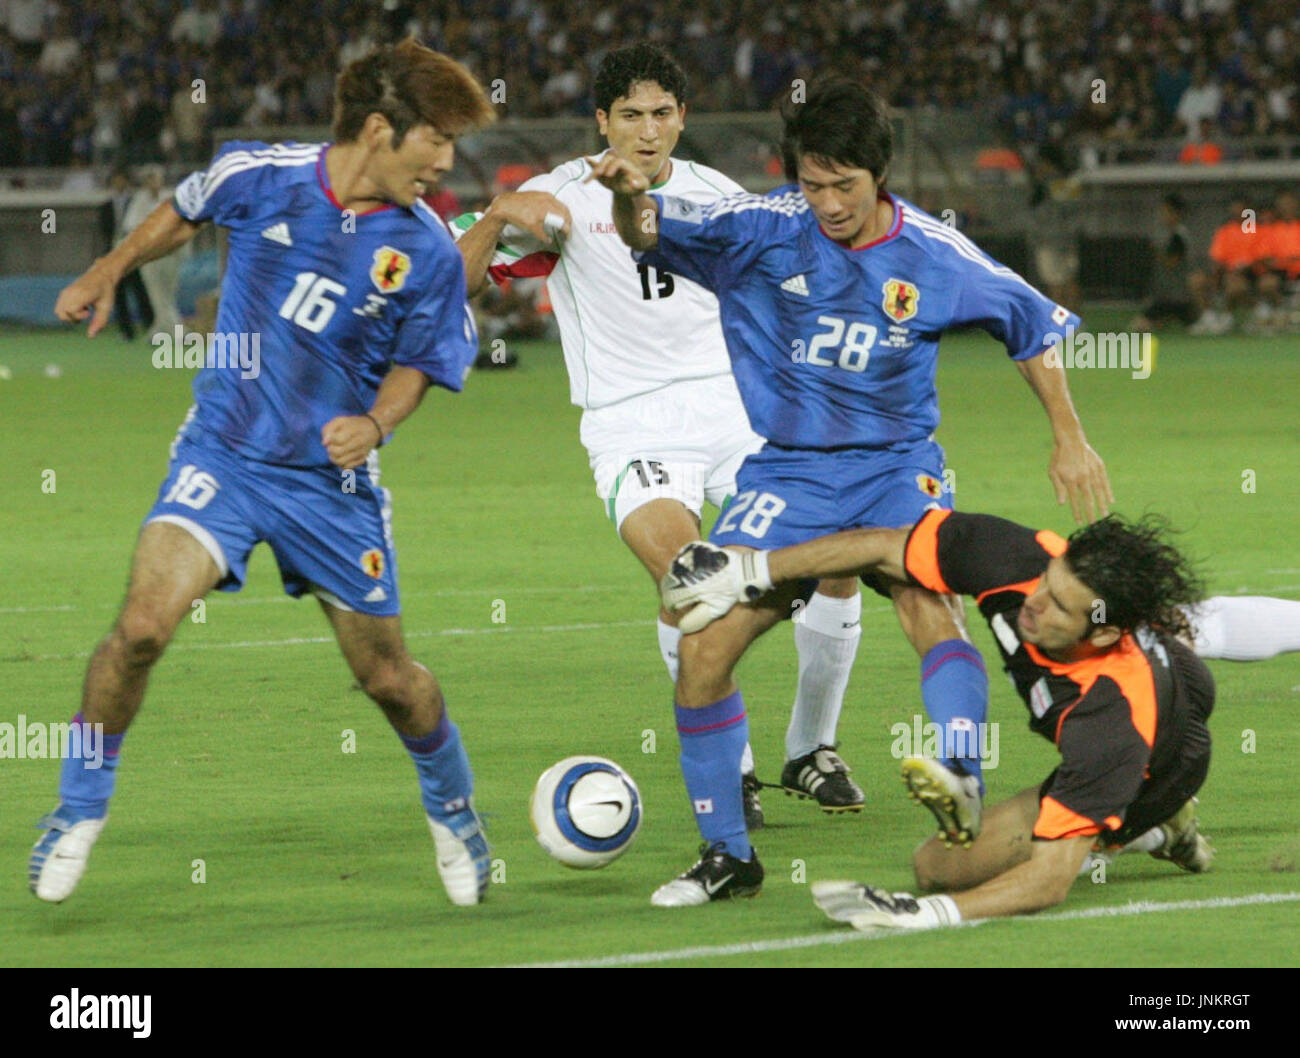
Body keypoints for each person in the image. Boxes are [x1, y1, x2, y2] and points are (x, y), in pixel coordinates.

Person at [591, 71, 1113, 907]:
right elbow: (650, 231)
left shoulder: (935, 256)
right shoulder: (759, 228)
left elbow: (1029, 323)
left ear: (880, 177)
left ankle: (961, 773)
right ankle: (728, 856)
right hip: (787, 468)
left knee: (923, 598)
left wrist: (1069, 435)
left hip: (894, 465)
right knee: (702, 643)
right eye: (812, 181)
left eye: (845, 185)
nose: (828, 202)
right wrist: (625, 197)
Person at [36, 40, 498, 907]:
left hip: (331, 488)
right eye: (434, 139)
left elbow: (426, 359)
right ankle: (77, 807)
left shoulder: (430, 246)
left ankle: (454, 805)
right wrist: (106, 270)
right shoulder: (262, 176)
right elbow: (182, 210)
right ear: (377, 129)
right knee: (140, 629)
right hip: (226, 453)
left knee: (390, 681)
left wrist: (375, 422)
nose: (445, 162)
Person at [453, 44, 867, 826]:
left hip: (737, 411)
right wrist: (503, 215)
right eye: (631, 116)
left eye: (663, 114)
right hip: (631, 422)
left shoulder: (716, 194)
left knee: (839, 556)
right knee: (695, 579)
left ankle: (811, 749)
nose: (648, 132)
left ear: (683, 117)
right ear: (602, 120)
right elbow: (452, 277)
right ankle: (734, 770)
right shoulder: (558, 199)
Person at [659, 507, 1297, 928]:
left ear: (1099, 637)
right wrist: (749, 572)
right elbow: (885, 547)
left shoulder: (1110, 720)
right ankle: (1135, 827)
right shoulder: (1020, 560)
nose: (1035, 604)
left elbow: (1047, 884)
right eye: (1049, 580)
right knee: (1192, 626)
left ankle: (1151, 827)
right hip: (1163, 689)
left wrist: (928, 912)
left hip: (1161, 766)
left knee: (937, 867)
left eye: (1060, 608)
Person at [1132, 193, 1199, 332]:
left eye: (1166, 211)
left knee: (1139, 326)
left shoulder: (1178, 236)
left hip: (1175, 296)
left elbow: (1171, 263)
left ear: (1177, 213)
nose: (1162, 215)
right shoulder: (1172, 234)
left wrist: (1154, 252)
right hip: (1170, 295)